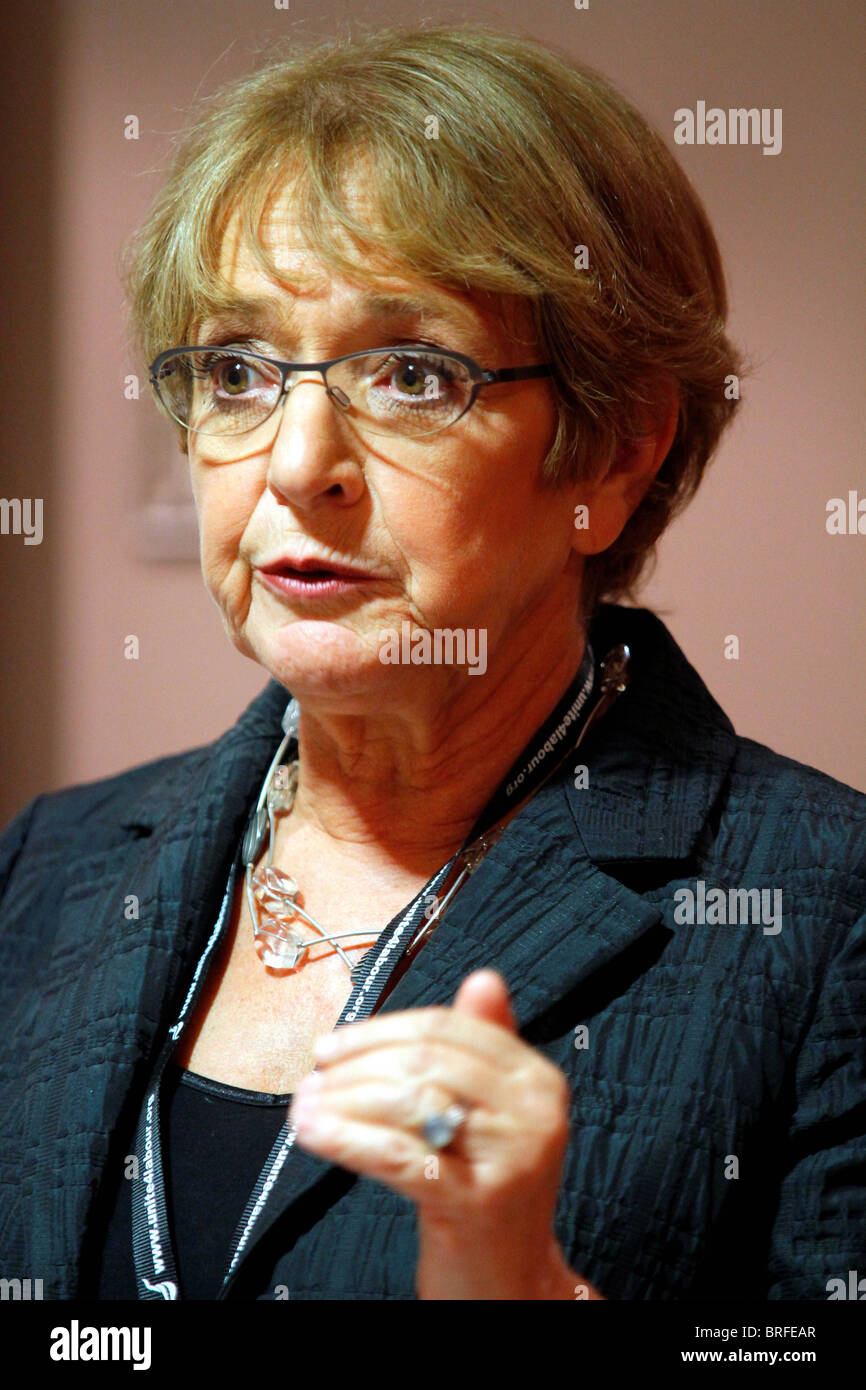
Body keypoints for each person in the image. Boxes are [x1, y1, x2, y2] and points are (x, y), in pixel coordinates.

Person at [0, 22, 863, 1303]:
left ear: (614, 450)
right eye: (236, 369)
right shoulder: (46, 868)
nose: (296, 465)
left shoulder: (823, 913)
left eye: (409, 373)